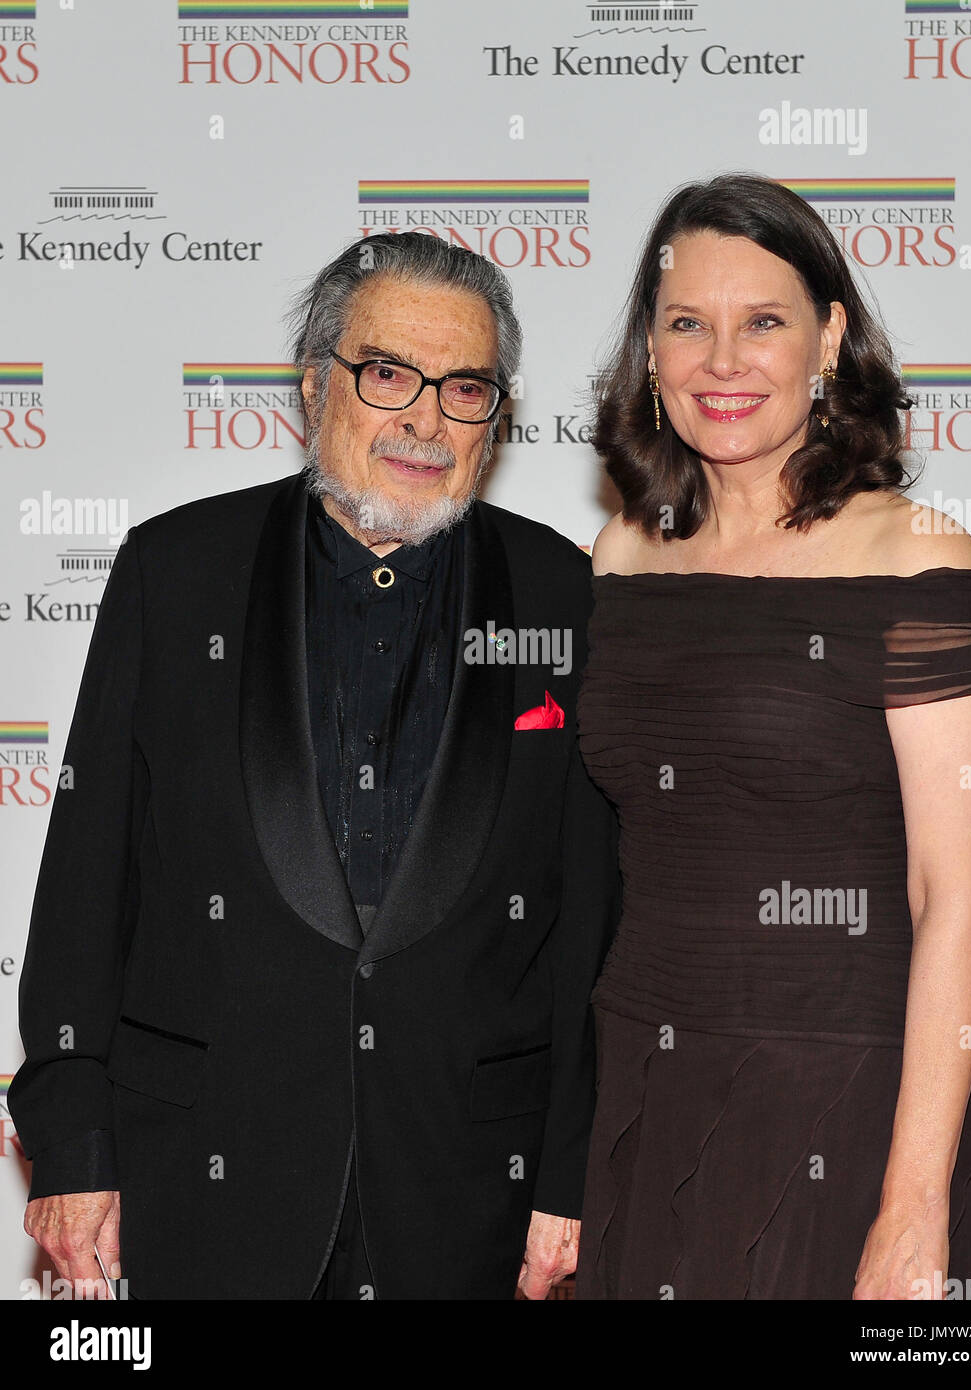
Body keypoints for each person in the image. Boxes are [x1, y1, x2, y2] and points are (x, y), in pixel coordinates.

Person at [10, 232, 620, 1300]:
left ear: (497, 417)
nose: (427, 420)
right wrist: (68, 1145)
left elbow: (587, 933)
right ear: (312, 384)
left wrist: (567, 1178)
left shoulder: (562, 596)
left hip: (465, 1198)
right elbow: (84, 886)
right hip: (198, 1184)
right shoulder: (177, 573)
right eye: (388, 374)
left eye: (465, 388)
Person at [574, 174, 971, 1300]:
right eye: (688, 324)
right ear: (651, 347)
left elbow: (953, 899)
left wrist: (914, 1205)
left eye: (763, 321)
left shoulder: (920, 560)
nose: (723, 361)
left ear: (827, 336)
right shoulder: (622, 555)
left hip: (841, 1096)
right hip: (641, 1078)